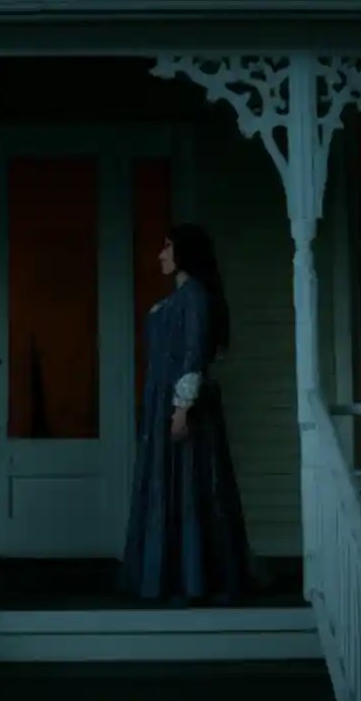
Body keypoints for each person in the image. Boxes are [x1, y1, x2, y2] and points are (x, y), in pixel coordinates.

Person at [121, 224, 254, 604]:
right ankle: (172, 574)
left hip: (183, 405)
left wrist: (182, 408)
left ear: (184, 253)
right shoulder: (181, 297)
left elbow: (194, 353)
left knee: (190, 484)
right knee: (171, 485)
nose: (161, 255)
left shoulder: (195, 297)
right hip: (165, 400)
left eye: (167, 248)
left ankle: (193, 577)